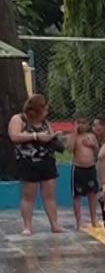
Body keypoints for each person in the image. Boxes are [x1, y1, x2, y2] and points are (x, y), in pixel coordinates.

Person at [9, 94, 63, 235]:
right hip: (28, 161)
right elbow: (14, 136)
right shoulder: (19, 119)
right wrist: (36, 136)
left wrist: (54, 138)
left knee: (49, 194)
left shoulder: (45, 122)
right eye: (44, 109)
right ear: (37, 109)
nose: (47, 112)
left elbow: (50, 136)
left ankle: (55, 224)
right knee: (28, 194)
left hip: (46, 161)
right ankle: (27, 226)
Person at [68, 115, 100, 229]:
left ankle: (93, 218)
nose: (81, 125)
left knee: (92, 194)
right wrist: (74, 133)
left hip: (90, 168)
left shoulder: (91, 136)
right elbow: (70, 149)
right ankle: (79, 221)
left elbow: (97, 150)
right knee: (77, 195)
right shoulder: (74, 137)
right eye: (78, 122)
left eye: (83, 122)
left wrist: (93, 145)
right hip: (78, 169)